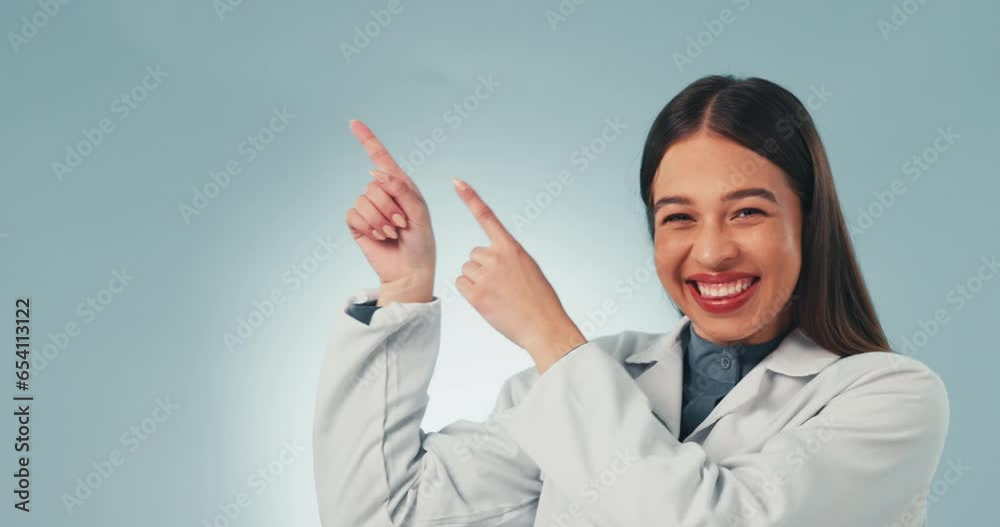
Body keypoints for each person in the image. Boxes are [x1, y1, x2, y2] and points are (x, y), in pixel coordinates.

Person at [313, 75, 950, 526]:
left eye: (748, 212)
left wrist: (550, 336)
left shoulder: (890, 401)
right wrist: (403, 292)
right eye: (678, 218)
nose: (711, 253)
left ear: (807, 224)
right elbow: (382, 514)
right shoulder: (595, 379)